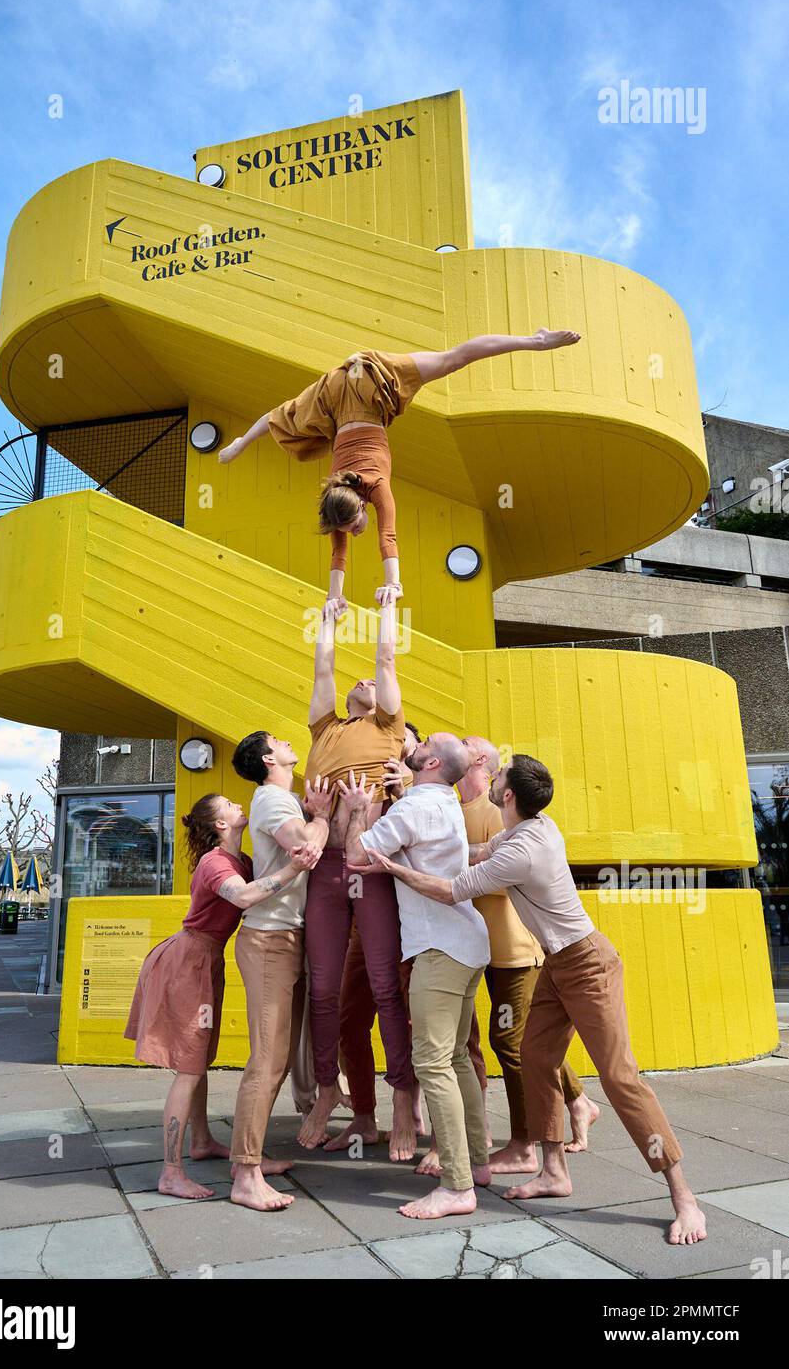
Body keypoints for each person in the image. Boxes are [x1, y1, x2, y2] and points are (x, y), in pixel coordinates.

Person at [363, 753, 708, 1246]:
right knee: (534, 1056)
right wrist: (425, 837)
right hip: (557, 966)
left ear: (505, 796)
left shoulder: (522, 849)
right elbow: (476, 854)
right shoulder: (531, 828)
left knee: (619, 1077)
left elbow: (451, 889)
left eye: (498, 772)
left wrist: (393, 866)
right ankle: (552, 1171)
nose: (490, 770)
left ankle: (684, 1198)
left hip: (589, 966)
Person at [217, 330, 581, 609]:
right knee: (451, 359)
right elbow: (338, 553)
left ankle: (537, 341)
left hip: (369, 390)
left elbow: (386, 539)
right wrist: (334, 597)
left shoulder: (375, 486)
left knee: (452, 360)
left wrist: (394, 583)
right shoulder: (333, 499)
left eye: (355, 525)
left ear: (361, 507)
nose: (355, 532)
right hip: (341, 391)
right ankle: (241, 442)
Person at [124, 792, 314, 1201]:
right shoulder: (215, 862)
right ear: (221, 825)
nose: (238, 805)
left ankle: (203, 1141)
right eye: (229, 805)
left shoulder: (241, 861)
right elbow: (246, 897)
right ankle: (171, 1172)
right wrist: (296, 866)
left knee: (200, 1059)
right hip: (186, 962)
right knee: (189, 1067)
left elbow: (261, 881)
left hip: (205, 960)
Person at [342, 732, 493, 1221]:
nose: (418, 741)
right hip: (469, 942)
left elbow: (356, 859)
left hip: (438, 947)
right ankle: (478, 1162)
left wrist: (360, 809)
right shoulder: (443, 802)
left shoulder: (409, 810)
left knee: (432, 1063)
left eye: (424, 742)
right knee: (457, 1058)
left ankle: (456, 1185)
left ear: (427, 762)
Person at [296, 598, 417, 1158]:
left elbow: (387, 656)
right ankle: (327, 1090)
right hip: (326, 869)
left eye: (373, 681)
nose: (366, 678)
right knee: (322, 988)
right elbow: (323, 669)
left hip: (369, 867)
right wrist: (327, 623)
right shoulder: (325, 727)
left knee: (387, 984)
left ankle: (401, 1096)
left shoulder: (389, 724)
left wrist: (385, 609)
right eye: (359, 679)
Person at [447, 735, 599, 1176]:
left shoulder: (503, 814)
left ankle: (525, 1145)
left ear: (478, 761)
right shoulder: (459, 810)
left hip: (515, 952)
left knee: (510, 1043)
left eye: (463, 745)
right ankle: (578, 1102)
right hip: (483, 951)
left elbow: (499, 875)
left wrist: (451, 872)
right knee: (527, 1041)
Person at [228, 733, 335, 1211]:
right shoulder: (273, 800)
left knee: (279, 1059)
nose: (292, 742)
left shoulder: (281, 798)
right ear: (269, 759)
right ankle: (245, 1175)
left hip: (285, 938)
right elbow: (305, 851)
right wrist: (323, 817)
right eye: (279, 741)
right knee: (266, 1060)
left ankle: (251, 1156)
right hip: (269, 940)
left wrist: (314, 816)